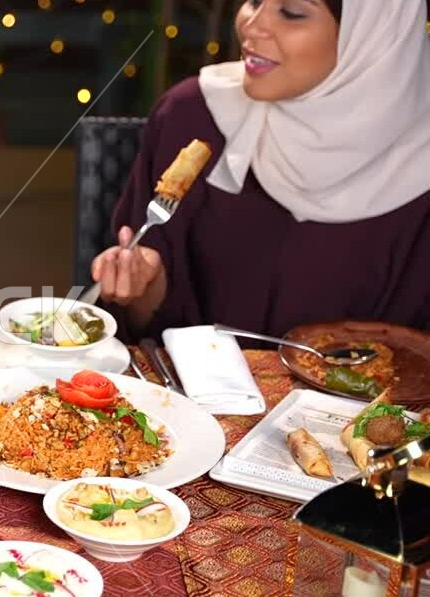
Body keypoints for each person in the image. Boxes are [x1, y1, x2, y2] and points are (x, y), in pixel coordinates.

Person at [91, 0, 430, 343]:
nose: (251, 25)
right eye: (253, 1)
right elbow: (137, 335)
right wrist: (144, 288)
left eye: (292, 13)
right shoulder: (191, 117)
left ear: (372, 36)